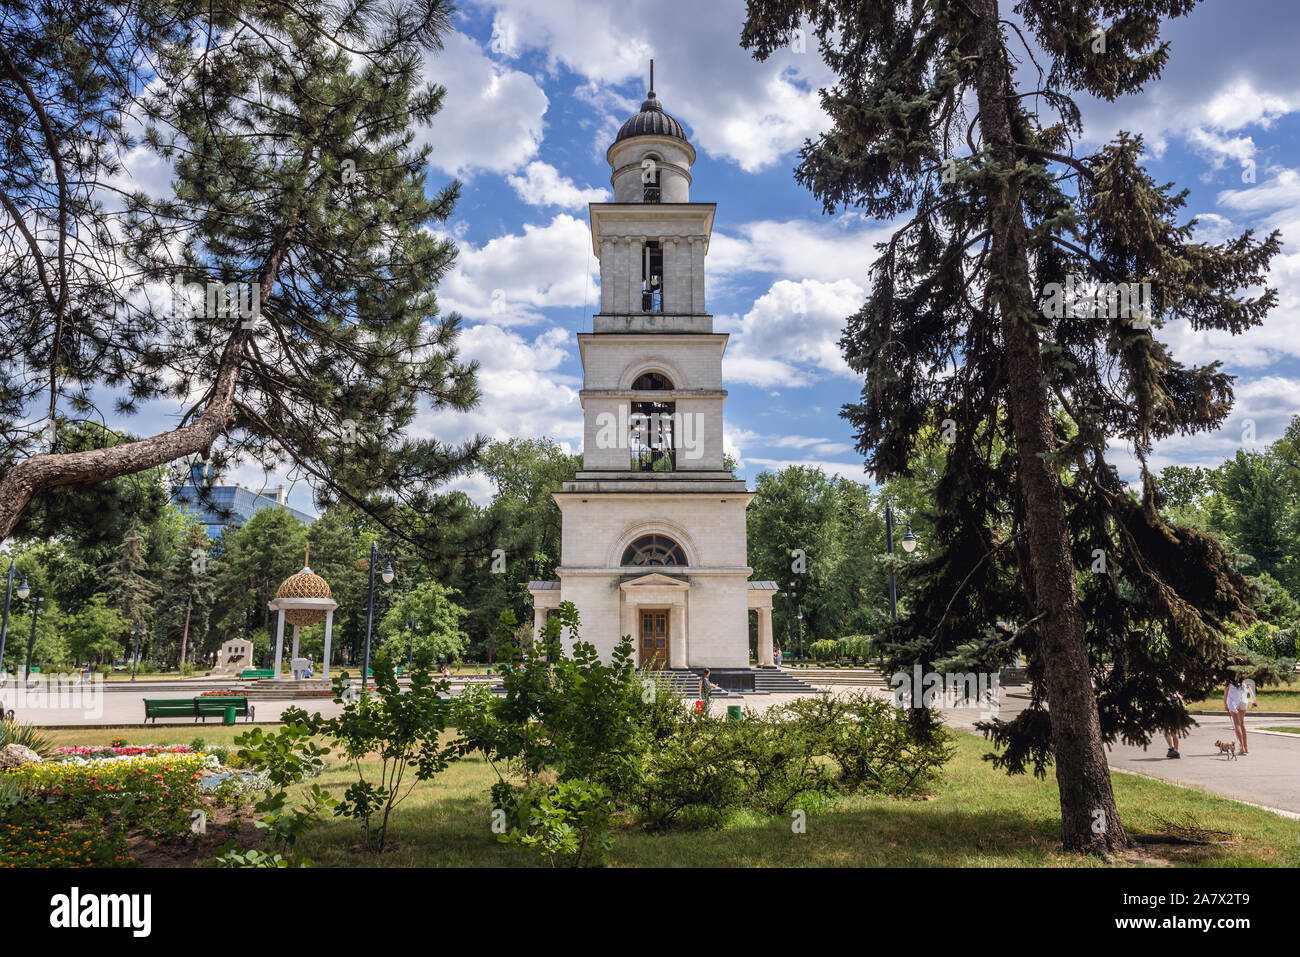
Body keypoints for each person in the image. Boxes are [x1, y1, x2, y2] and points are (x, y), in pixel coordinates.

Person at [1224, 677, 1254, 755]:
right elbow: (1249, 689)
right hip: (1243, 701)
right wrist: (1254, 701)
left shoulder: (1229, 681)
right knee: (1242, 723)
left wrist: (1225, 704)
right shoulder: (1244, 680)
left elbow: (1226, 691)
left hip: (1233, 703)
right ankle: (1246, 747)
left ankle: (1242, 747)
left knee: (1237, 724)